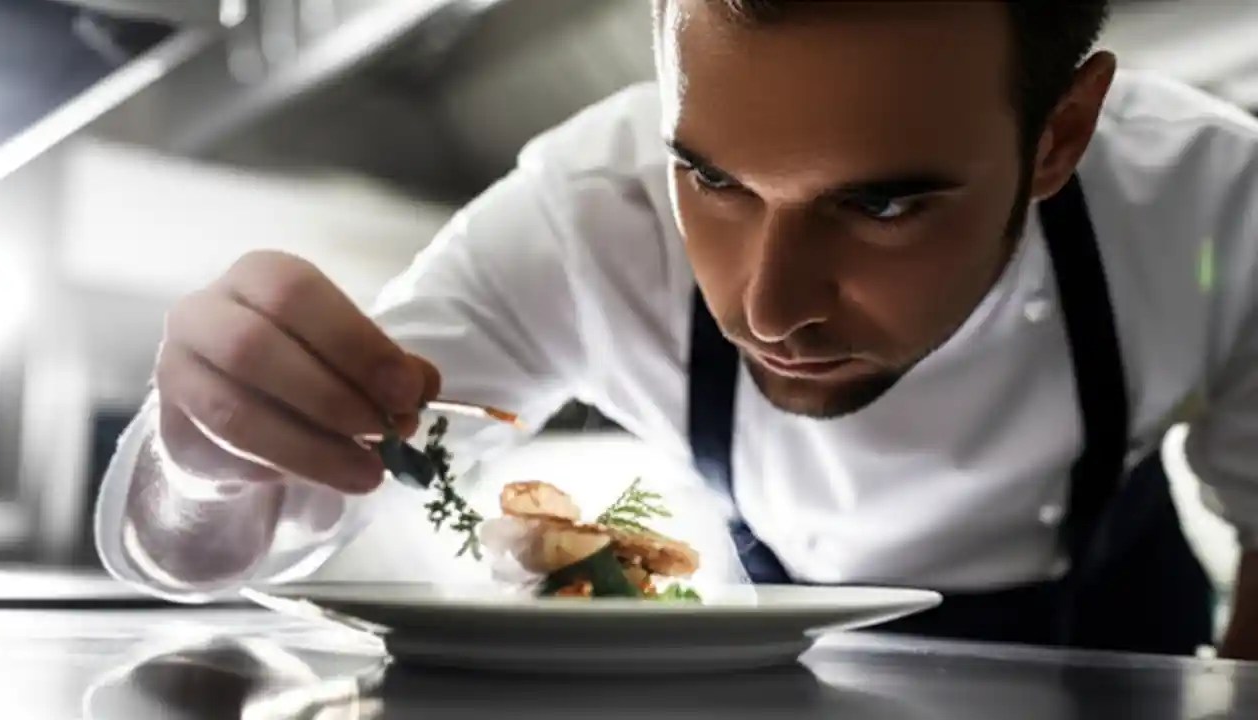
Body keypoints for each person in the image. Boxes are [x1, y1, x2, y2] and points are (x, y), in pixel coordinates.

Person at [95, 0, 1258, 658]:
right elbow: (220, 549)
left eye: (882, 203)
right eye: (710, 181)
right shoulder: (577, 215)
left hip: (1111, 653)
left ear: (1059, 137)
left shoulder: (1216, 203)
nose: (766, 309)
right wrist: (202, 458)